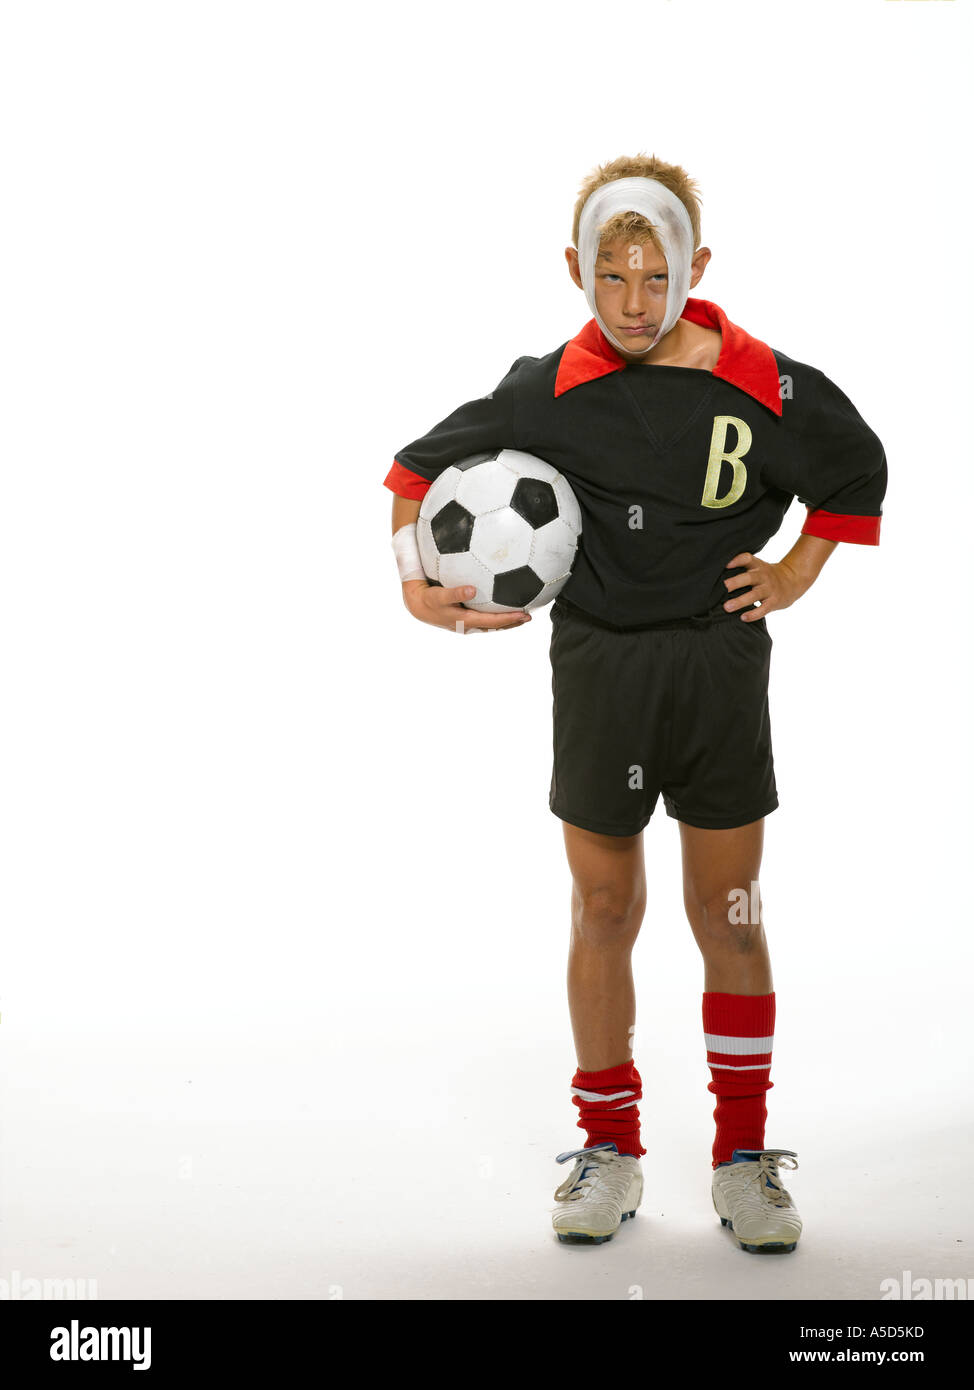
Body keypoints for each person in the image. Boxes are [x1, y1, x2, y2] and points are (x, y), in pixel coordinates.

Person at [385, 153, 887, 1251]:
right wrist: (414, 581)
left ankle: (743, 1158)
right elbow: (414, 470)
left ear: (695, 267)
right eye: (609, 276)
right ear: (575, 270)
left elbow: (856, 469)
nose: (631, 301)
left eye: (654, 276)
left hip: (718, 668)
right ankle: (608, 1148)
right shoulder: (548, 387)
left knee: (730, 909)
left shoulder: (766, 381)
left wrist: (794, 572)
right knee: (604, 908)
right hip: (601, 670)